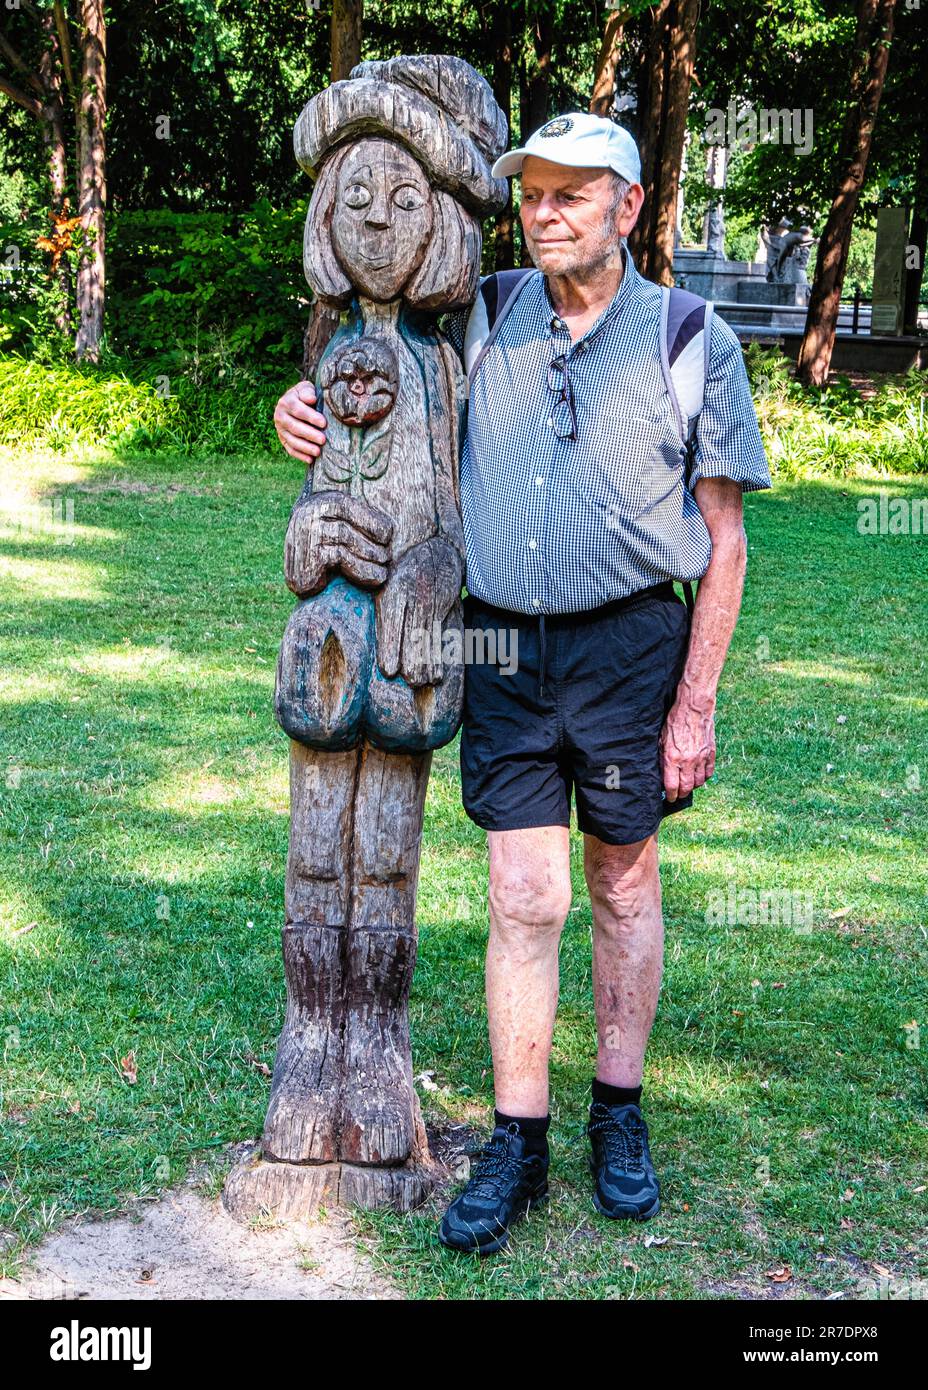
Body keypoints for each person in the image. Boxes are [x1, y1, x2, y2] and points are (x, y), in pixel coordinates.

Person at [273, 110, 772, 1256]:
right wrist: (295, 408)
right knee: (521, 897)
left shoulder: (689, 337)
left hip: (629, 646)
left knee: (622, 888)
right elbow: (359, 359)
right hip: (499, 642)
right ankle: (517, 1136)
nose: (543, 215)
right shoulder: (486, 312)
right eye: (532, 196)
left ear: (629, 208)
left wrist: (693, 704)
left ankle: (618, 1113)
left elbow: (725, 539)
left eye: (571, 196)